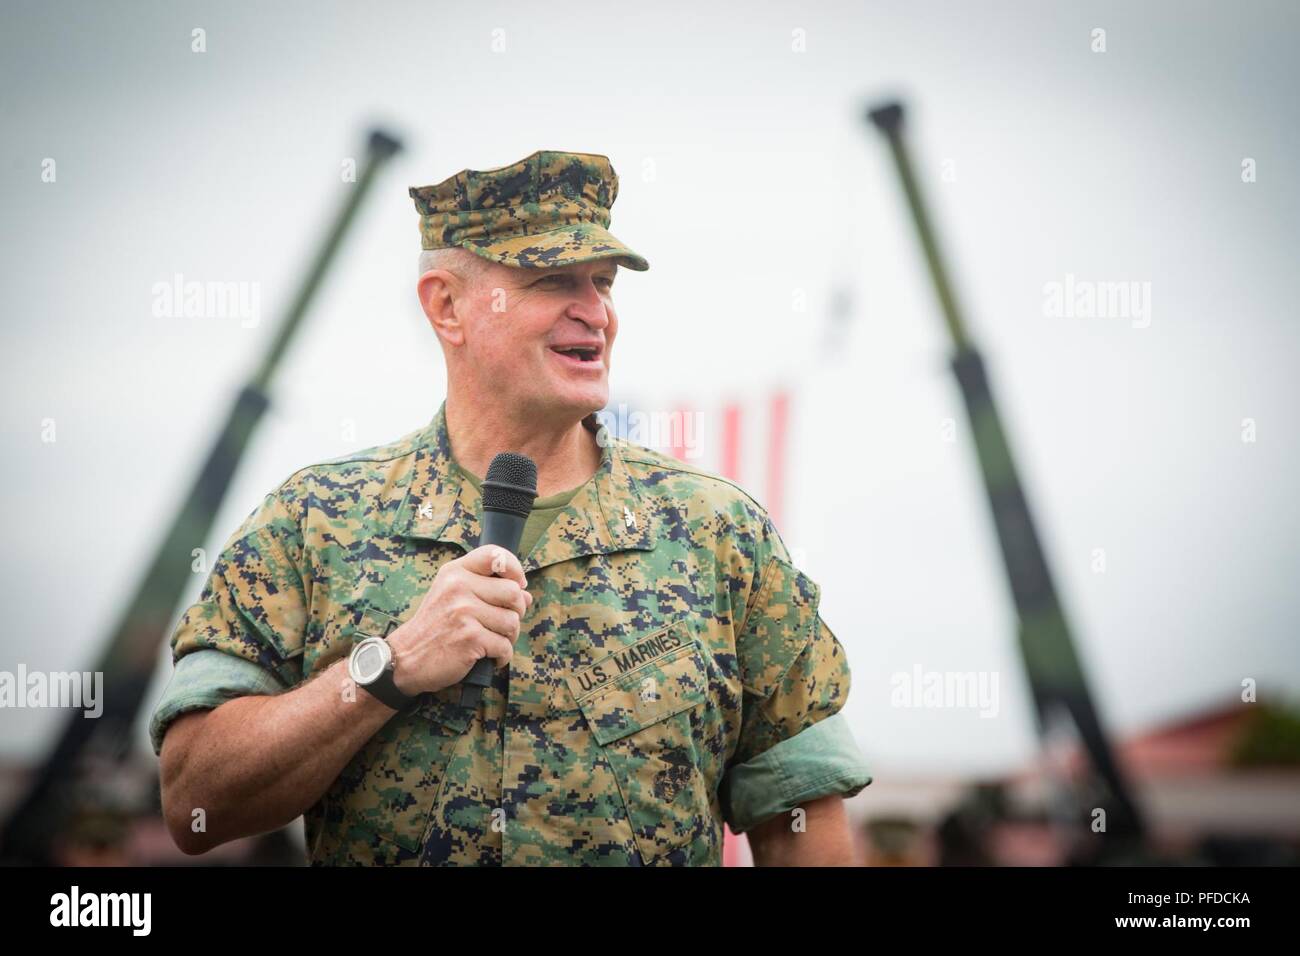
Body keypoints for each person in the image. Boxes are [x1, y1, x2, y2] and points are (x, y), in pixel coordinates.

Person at [151, 149, 872, 866]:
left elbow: (802, 819)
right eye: (553, 280)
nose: (595, 312)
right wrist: (386, 670)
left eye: (603, 283)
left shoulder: (718, 534)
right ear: (447, 306)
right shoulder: (314, 523)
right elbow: (195, 804)